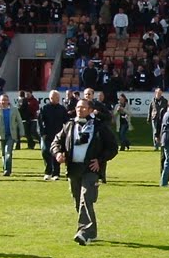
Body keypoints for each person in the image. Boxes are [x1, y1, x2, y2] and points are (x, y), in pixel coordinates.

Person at [50, 95, 119, 244]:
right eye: (78, 107)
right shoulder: (69, 126)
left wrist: (100, 160)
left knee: (86, 198)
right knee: (78, 201)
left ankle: (84, 232)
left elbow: (113, 147)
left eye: (83, 108)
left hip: (90, 169)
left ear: (90, 110)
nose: (79, 110)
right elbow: (56, 143)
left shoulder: (99, 127)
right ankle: (91, 231)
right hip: (73, 169)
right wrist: (58, 154)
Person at [38, 90, 68, 180]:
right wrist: (42, 133)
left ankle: (56, 173)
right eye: (54, 98)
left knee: (57, 153)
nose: (57, 99)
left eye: (58, 98)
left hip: (58, 136)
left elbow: (66, 122)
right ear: (50, 98)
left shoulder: (62, 109)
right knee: (45, 152)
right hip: (47, 135)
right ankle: (48, 171)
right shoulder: (44, 108)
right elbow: (39, 122)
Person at [0, 94, 22, 177]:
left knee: (8, 151)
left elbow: (19, 121)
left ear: (8, 101)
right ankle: (5, 168)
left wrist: (22, 132)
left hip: (11, 135)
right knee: (3, 153)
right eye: (2, 100)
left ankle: (7, 170)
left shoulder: (14, 110)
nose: (4, 101)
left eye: (5, 100)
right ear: (0, 101)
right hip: (1, 135)